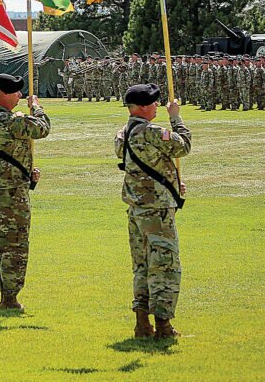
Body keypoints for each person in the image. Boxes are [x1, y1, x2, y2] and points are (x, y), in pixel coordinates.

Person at [115, 83, 191, 340]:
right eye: (155, 103)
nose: (158, 105)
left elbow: (148, 164)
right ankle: (163, 326)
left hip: (137, 209)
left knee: (142, 266)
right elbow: (183, 146)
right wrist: (175, 118)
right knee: (165, 265)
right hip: (156, 210)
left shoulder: (122, 133)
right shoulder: (151, 132)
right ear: (144, 107)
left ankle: (142, 323)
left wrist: (170, 178)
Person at [0, 73, 50, 311]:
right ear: (3, 94)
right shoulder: (8, 121)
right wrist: (37, 108)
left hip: (8, 188)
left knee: (7, 245)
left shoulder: (2, 120)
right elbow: (43, 129)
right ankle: (9, 298)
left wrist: (26, 171)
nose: (20, 96)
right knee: (15, 246)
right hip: (11, 194)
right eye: (16, 92)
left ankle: (7, 292)